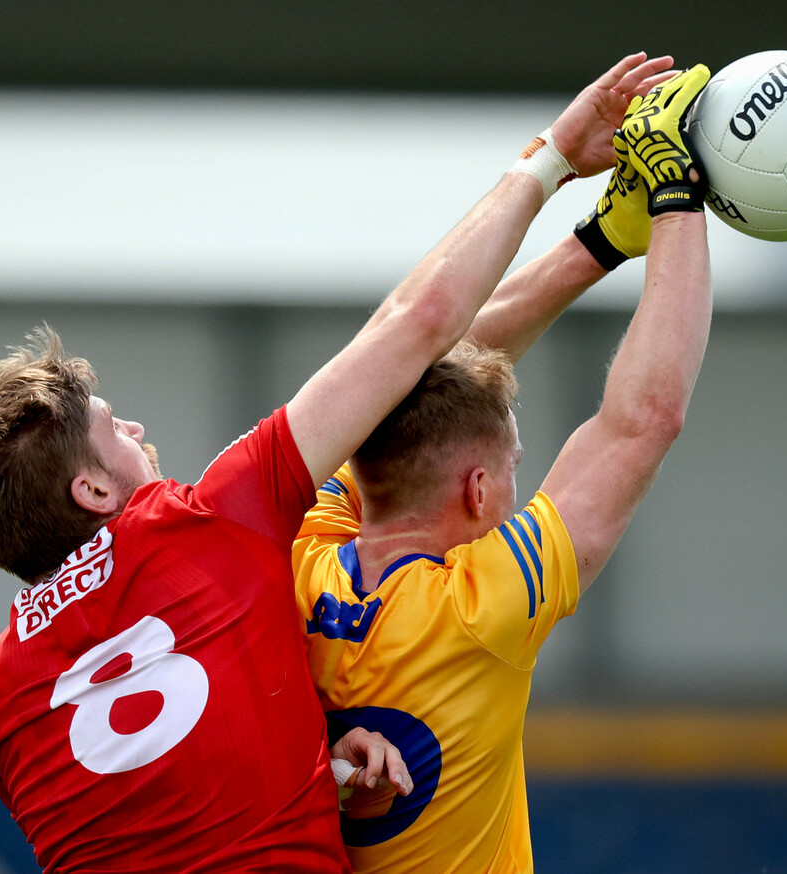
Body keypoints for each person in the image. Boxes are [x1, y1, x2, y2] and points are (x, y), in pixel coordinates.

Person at [0, 52, 675, 874]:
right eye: (112, 427)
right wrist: (553, 158)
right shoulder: (204, 526)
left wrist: (322, 754)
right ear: (92, 487)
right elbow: (417, 330)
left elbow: (176, 792)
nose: (135, 426)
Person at [292, 65, 713, 873]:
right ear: (477, 489)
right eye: (514, 464)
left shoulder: (303, 558)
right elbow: (644, 423)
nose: (521, 483)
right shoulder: (481, 606)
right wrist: (678, 199)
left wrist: (602, 242)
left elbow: (411, 382)